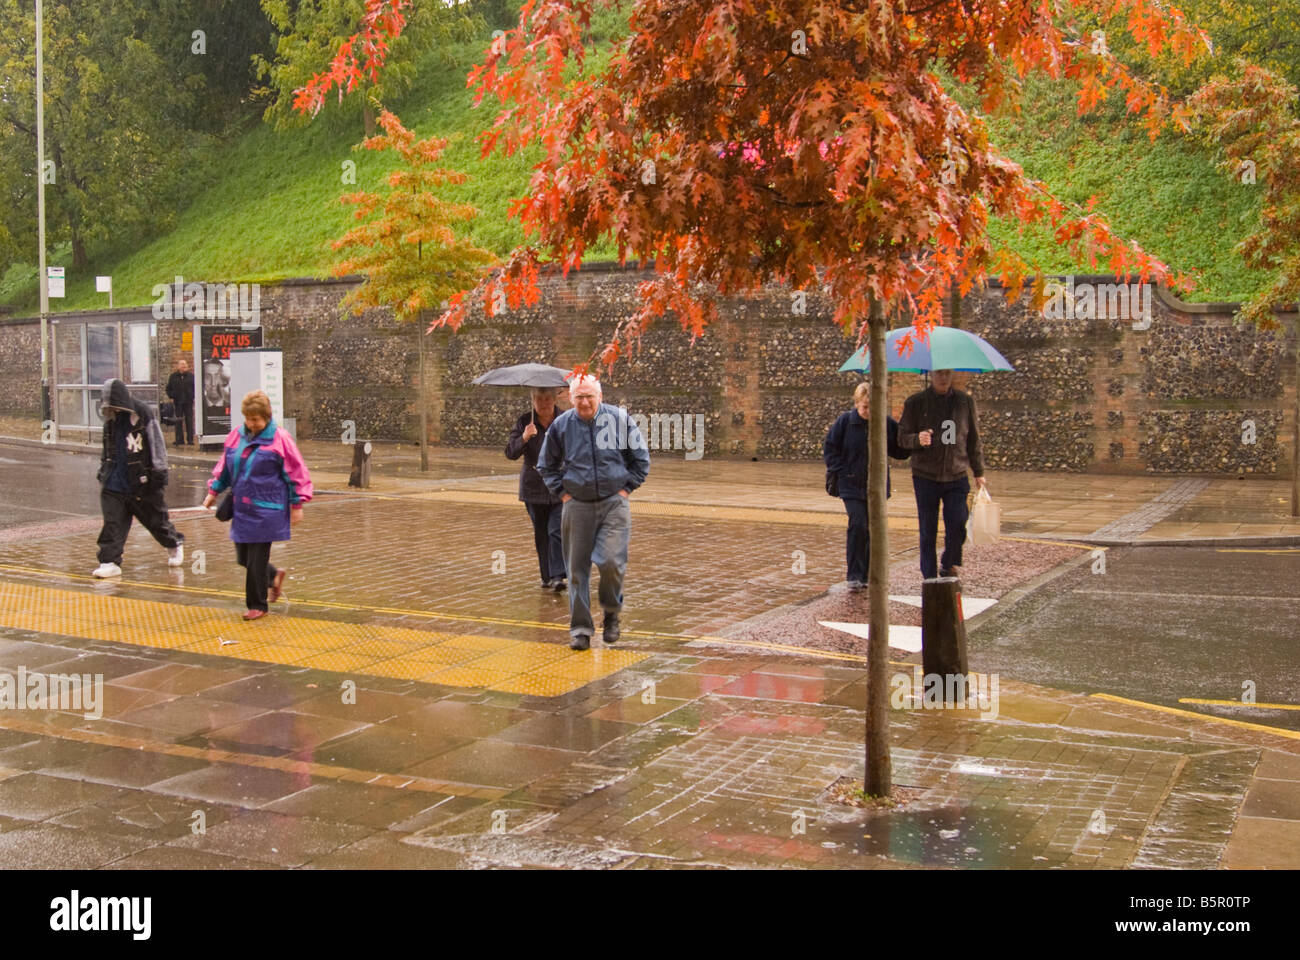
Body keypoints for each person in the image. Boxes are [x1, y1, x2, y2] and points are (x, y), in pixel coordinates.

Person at [537, 376, 650, 650]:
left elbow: (641, 459)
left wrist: (626, 490)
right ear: (570, 398)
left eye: (589, 396)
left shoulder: (619, 419)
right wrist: (563, 494)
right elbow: (546, 465)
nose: (584, 402)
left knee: (611, 562)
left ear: (600, 396)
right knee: (576, 570)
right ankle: (580, 629)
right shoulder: (561, 426)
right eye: (579, 397)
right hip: (577, 505)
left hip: (614, 503)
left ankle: (611, 613)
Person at [201, 390, 313, 621]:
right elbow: (225, 468)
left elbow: (295, 472)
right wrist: (214, 491)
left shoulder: (279, 439)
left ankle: (257, 605)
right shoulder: (236, 437)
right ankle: (273, 576)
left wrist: (297, 504)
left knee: (255, 562)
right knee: (243, 558)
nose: (252, 424)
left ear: (266, 416)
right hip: (243, 509)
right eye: (248, 419)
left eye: (256, 419)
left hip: (267, 509)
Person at [897, 369, 987, 579]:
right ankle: (929, 577)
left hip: (956, 474)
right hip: (925, 475)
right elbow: (901, 438)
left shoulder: (964, 402)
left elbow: (973, 438)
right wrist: (917, 439)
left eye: (947, 374)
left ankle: (948, 562)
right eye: (939, 374)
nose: (943, 378)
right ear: (931, 375)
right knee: (927, 531)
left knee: (958, 524)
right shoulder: (916, 403)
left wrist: (979, 471)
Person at [93, 378, 184, 577]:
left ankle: (173, 542)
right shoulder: (110, 419)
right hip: (114, 482)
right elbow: (107, 447)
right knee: (112, 523)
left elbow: (156, 443)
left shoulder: (143, 413)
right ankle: (109, 561)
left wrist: (159, 473)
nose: (112, 411)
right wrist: (103, 470)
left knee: (156, 521)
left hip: (142, 481)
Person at [823, 381, 908, 590]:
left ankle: (869, 573)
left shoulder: (886, 423)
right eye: (865, 407)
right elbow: (830, 448)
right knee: (858, 524)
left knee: (873, 529)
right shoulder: (846, 422)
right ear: (857, 403)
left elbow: (899, 450)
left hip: (877, 486)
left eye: (873, 407)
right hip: (851, 485)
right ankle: (854, 574)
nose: (869, 412)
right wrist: (843, 470)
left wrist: (915, 441)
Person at [506, 387, 567, 591]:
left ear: (554, 399)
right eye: (539, 399)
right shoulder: (525, 421)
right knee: (541, 532)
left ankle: (558, 575)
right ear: (533, 401)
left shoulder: (565, 420)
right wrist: (524, 437)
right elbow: (510, 453)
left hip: (559, 485)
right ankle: (546, 576)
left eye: (547, 399)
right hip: (534, 487)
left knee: (555, 530)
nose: (543, 404)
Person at [165, 358, 196, 446]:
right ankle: (179, 440)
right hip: (178, 402)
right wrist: (172, 396)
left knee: (189, 421)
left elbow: (195, 388)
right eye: (182, 365)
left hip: (188, 402)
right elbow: (168, 389)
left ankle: (190, 440)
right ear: (178, 366)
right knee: (178, 421)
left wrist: (192, 396)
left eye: (185, 364)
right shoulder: (173, 376)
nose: (184, 366)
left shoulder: (191, 376)